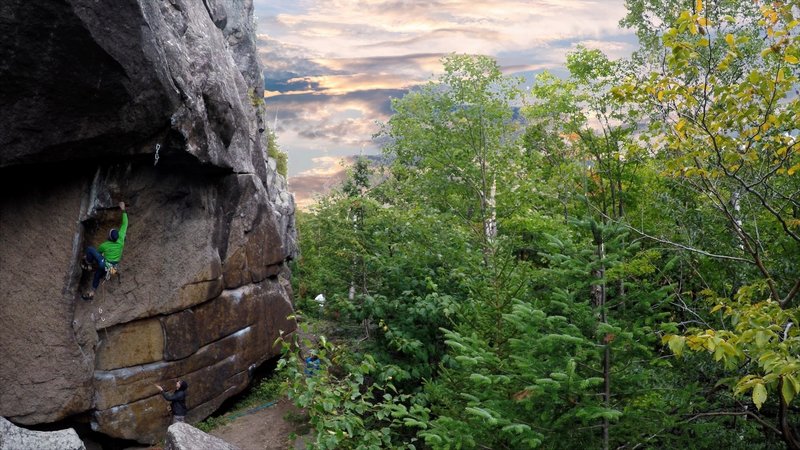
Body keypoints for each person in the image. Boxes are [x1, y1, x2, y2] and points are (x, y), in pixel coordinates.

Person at [81, 201, 128, 300]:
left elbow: (97, 253)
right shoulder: (121, 239)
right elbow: (125, 223)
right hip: (113, 268)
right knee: (98, 273)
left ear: (110, 238)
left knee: (90, 250)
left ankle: (88, 264)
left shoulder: (105, 245)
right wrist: (123, 209)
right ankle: (92, 292)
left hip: (105, 264)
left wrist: (89, 258)